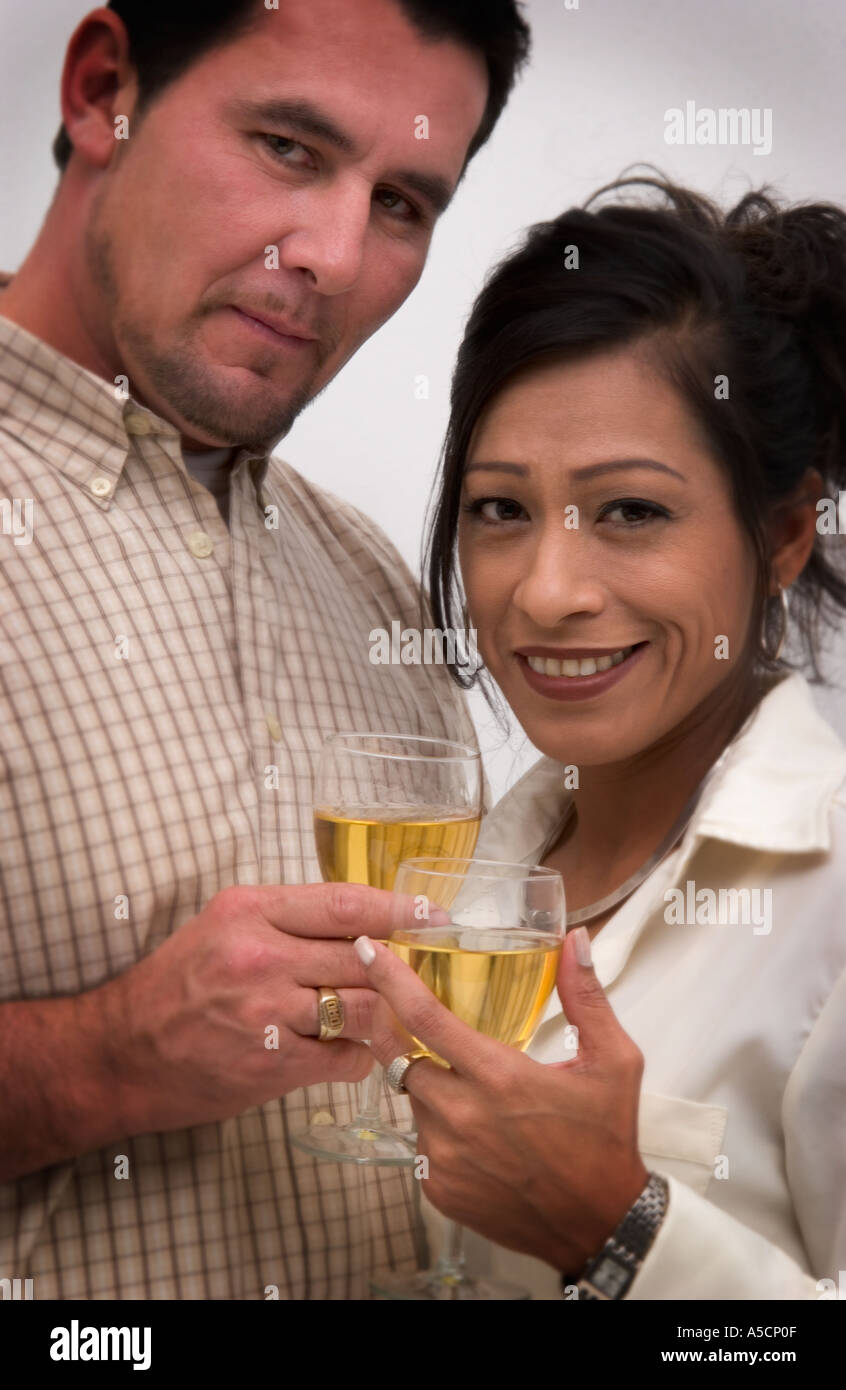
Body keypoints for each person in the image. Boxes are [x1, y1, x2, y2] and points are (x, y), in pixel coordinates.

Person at [0, 0, 532, 1300]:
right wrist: (102, 1059)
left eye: (404, 202)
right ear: (101, 89)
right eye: (291, 147)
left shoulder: (376, 586)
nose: (337, 253)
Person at [361, 177, 846, 1299]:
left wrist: (619, 1228)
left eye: (630, 511)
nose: (547, 591)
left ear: (779, 535)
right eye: (501, 510)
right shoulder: (475, 869)